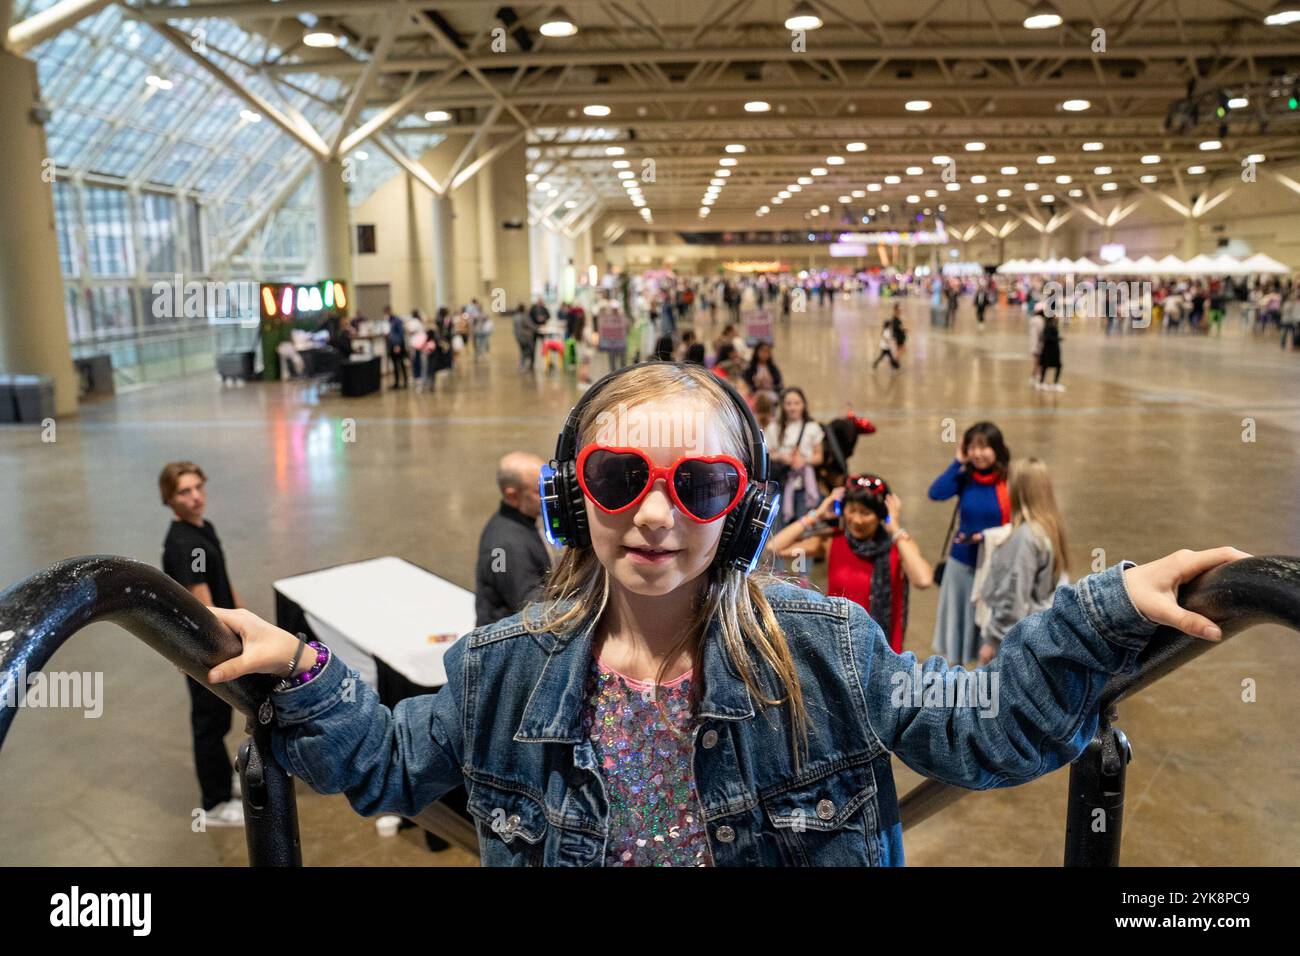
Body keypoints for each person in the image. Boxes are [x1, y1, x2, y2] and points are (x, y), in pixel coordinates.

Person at [206, 361, 1246, 867]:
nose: (655, 514)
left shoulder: (826, 652)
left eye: (697, 484)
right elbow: (389, 760)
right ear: (572, 499)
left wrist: (1103, 607)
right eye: (619, 476)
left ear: (744, 512)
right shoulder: (499, 669)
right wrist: (298, 670)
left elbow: (990, 724)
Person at [158, 461, 245, 828]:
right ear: (169, 498)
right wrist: (227, 645)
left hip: (221, 641)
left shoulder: (203, 528)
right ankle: (214, 804)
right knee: (208, 723)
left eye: (198, 488)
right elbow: (204, 606)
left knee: (220, 718)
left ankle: (224, 782)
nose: (195, 497)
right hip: (204, 648)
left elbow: (223, 581)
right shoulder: (183, 544)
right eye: (184, 492)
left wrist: (244, 621)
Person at [767, 474, 933, 652]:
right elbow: (775, 546)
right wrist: (817, 514)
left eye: (865, 513)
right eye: (851, 510)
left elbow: (923, 580)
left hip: (881, 652)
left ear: (881, 515)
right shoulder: (833, 541)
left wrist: (895, 528)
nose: (856, 520)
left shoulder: (898, 546)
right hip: (837, 645)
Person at [928, 421, 1012, 664]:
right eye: (972, 447)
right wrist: (957, 462)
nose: (977, 453)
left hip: (993, 568)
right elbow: (936, 493)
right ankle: (958, 685)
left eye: (983, 447)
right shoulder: (965, 477)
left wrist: (985, 537)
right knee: (958, 631)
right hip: (961, 566)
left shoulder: (1008, 481)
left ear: (996, 449)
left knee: (989, 634)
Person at [973, 458, 1070, 665]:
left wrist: (992, 640)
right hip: (1041, 631)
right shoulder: (1050, 528)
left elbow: (1014, 596)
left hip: (1016, 641)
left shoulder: (1025, 537)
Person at [474, 452, 552, 627]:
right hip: (505, 643)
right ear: (512, 496)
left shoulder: (513, 522)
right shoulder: (507, 546)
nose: (548, 496)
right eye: (539, 490)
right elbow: (532, 607)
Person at [764, 386, 824, 530]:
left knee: (803, 527)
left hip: (804, 485)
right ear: (783, 406)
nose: (792, 407)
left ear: (803, 405)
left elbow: (819, 456)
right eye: (788, 403)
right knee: (777, 528)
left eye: (796, 403)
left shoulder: (812, 427)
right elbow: (767, 452)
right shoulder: (774, 427)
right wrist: (781, 457)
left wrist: (804, 460)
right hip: (782, 483)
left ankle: (801, 553)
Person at [1037, 313, 1064, 391]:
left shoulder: (1051, 324)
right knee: (1048, 365)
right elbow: (1048, 337)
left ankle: (1048, 383)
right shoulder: (1049, 326)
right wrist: (1058, 339)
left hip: (1052, 349)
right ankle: (1048, 383)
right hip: (1050, 350)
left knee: (1049, 366)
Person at [385, 305, 408, 389]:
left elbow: (400, 334)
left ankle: (405, 381)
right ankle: (397, 382)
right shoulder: (388, 321)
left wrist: (398, 345)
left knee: (401, 364)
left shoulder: (397, 320)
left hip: (398, 345)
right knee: (395, 365)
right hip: (391, 345)